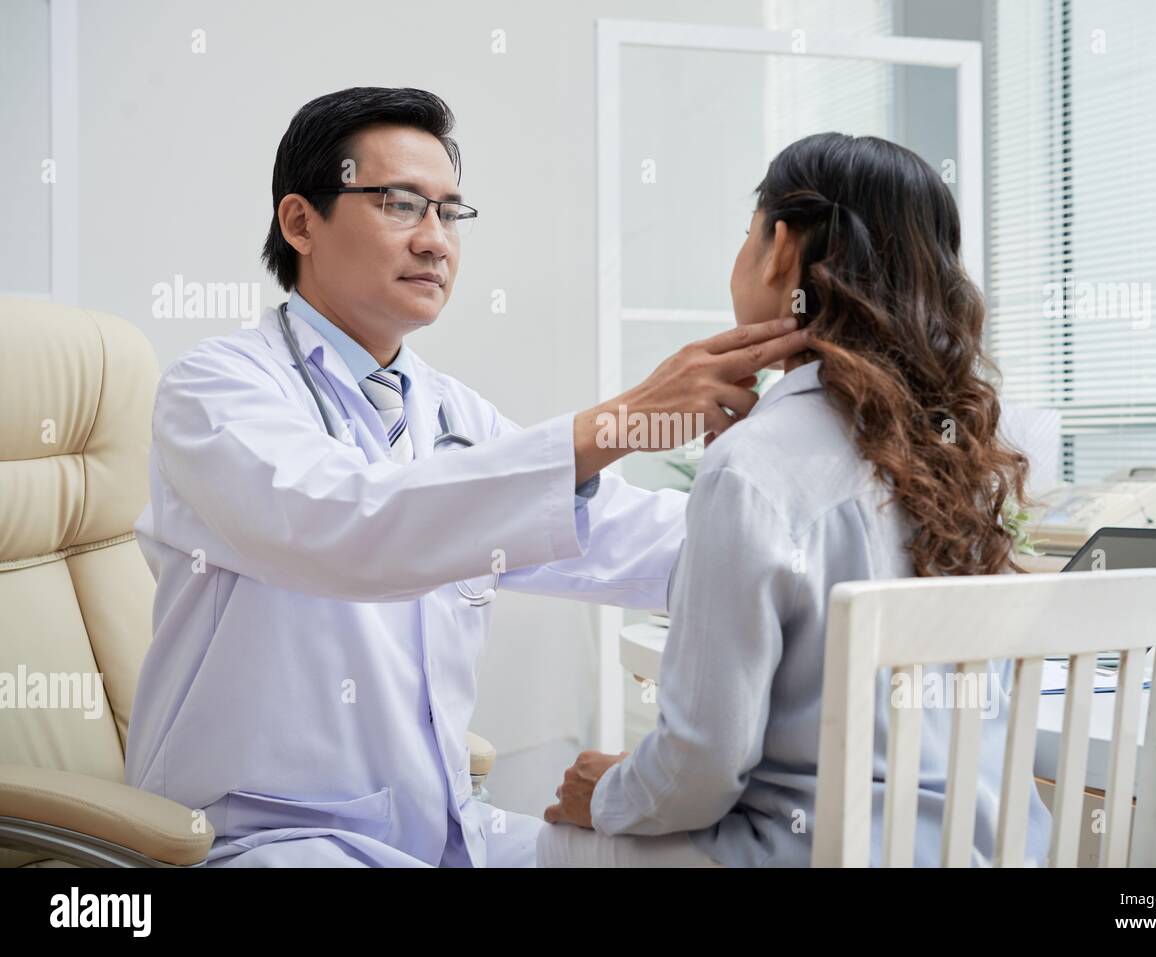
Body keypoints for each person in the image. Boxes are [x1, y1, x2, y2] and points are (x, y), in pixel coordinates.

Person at [123, 87, 809, 867]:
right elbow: (350, 527)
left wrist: (816, 535)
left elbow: (610, 532)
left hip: (446, 832)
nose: (435, 241)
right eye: (400, 204)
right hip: (265, 839)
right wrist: (623, 420)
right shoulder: (216, 389)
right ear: (300, 222)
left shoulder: (450, 411)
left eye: (450, 213)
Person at [540, 132, 1054, 867]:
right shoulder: (964, 455)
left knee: (554, 840)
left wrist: (608, 792)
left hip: (812, 853)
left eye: (748, 233)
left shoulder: (752, 466)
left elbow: (700, 769)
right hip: (983, 853)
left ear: (780, 247)